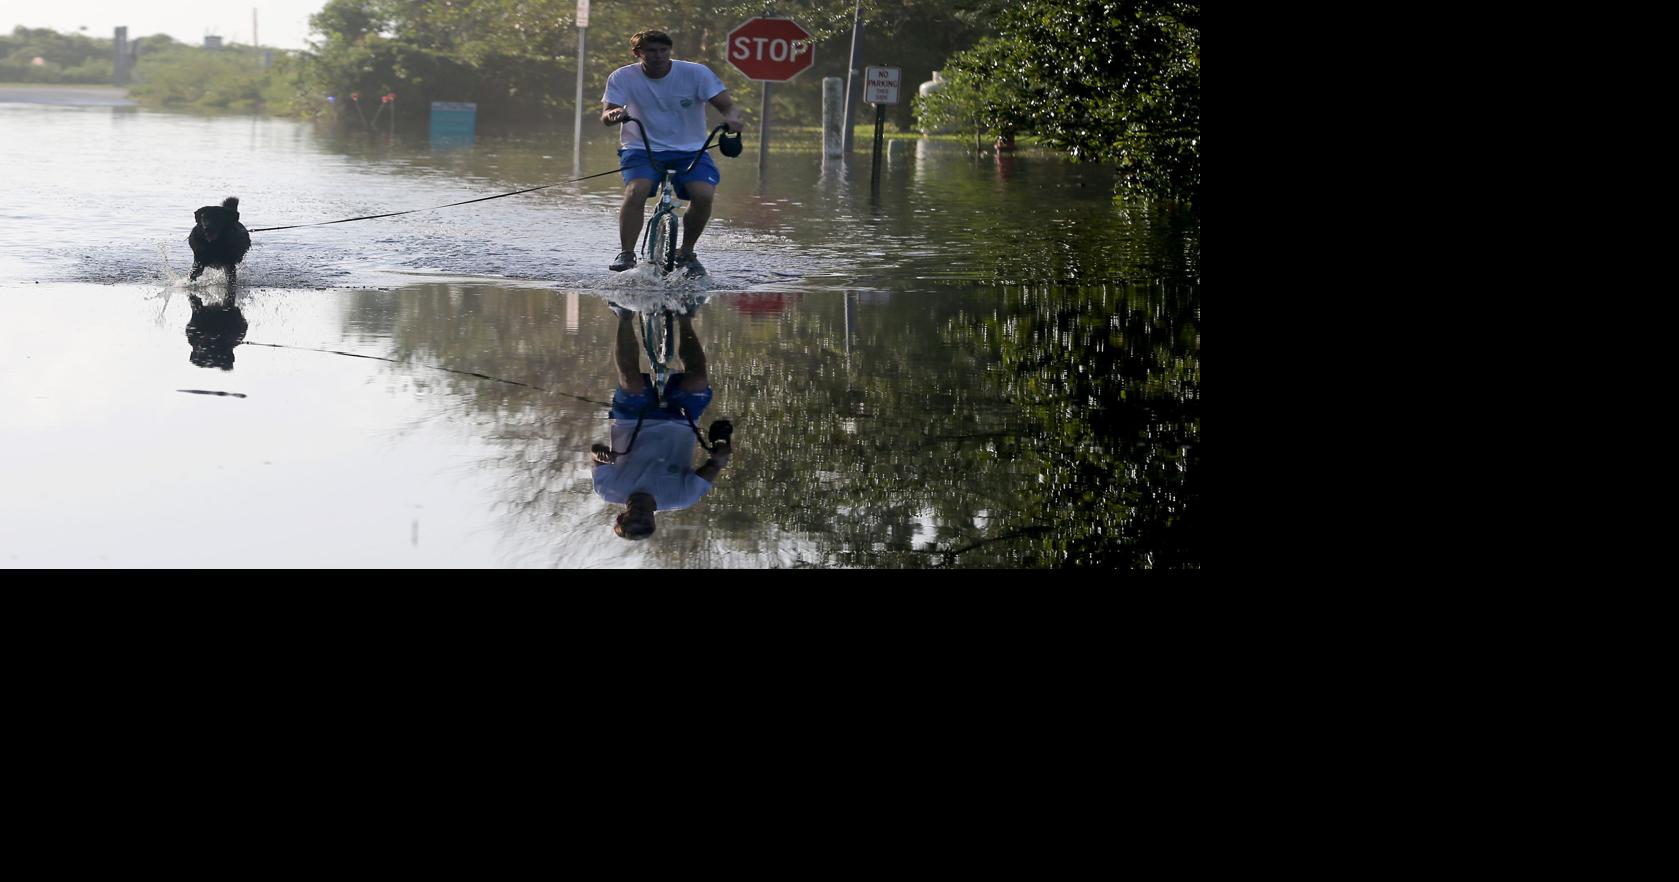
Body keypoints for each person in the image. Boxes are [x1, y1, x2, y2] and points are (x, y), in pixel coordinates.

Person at [600, 29, 744, 276]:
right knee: (637, 189)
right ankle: (626, 253)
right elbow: (606, 115)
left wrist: (732, 120)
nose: (658, 56)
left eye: (663, 50)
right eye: (651, 51)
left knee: (704, 194)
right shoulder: (622, 76)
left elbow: (728, 107)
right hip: (641, 147)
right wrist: (614, 115)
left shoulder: (696, 73)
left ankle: (687, 253)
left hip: (690, 149)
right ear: (637, 53)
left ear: (670, 50)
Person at [591, 300, 733, 540]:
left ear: (621, 516)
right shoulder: (682, 497)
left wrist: (601, 454)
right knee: (698, 378)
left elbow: (595, 453)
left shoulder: (608, 490)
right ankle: (685, 317)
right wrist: (720, 450)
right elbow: (715, 466)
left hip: (632, 419)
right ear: (652, 520)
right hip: (682, 418)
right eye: (644, 520)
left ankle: (623, 314)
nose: (640, 514)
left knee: (629, 379)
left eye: (632, 518)